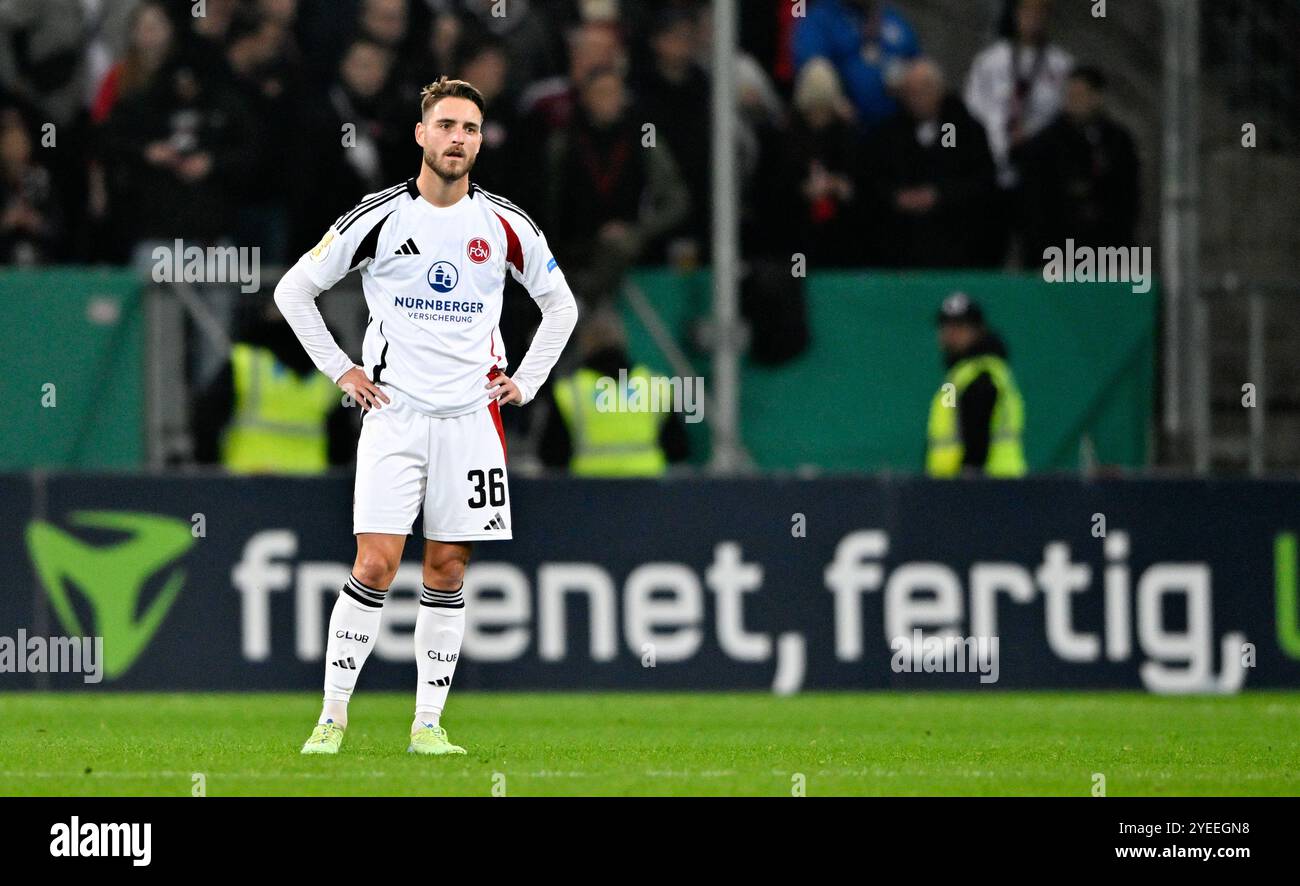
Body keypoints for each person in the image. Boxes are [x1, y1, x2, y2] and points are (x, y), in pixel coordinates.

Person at [275, 77, 578, 756]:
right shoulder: (379, 216)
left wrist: (526, 380)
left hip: (473, 421)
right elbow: (294, 288)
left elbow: (563, 306)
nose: (457, 139)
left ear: (479, 140)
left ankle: (428, 727)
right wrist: (342, 371)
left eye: (469, 129)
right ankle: (331, 719)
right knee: (377, 564)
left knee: (446, 568)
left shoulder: (505, 224)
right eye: (446, 126)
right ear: (421, 134)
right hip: (396, 415)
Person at [191, 299, 354, 474]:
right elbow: (342, 438)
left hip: (247, 480)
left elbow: (206, 420)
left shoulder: (245, 362)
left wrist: (211, 470)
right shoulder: (333, 370)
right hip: (310, 484)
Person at [865, 59, 997, 268]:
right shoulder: (888, 133)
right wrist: (896, 197)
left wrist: (940, 195)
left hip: (956, 245)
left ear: (939, 90)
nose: (916, 99)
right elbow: (873, 181)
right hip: (901, 249)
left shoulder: (964, 130)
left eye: (923, 90)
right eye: (911, 92)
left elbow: (982, 181)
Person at [539, 310, 689, 477]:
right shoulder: (656, 386)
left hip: (590, 490)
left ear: (584, 343)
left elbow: (551, 455)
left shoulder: (569, 392)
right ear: (623, 340)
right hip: (647, 487)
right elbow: (678, 448)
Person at [1019, 66, 1140, 262]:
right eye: (1070, 94)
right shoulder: (1045, 144)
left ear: (1097, 97)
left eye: (1080, 94)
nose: (1073, 100)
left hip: (1106, 249)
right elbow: (1036, 204)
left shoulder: (1118, 140)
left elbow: (1127, 197)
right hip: (1058, 250)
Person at [925, 293, 1026, 478]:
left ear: (979, 330)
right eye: (946, 326)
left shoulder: (982, 374)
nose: (951, 333)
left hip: (988, 487)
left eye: (960, 326)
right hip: (960, 486)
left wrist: (970, 477)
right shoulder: (959, 374)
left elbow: (977, 435)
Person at [792, 0, 921, 134]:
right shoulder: (821, 18)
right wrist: (837, 100)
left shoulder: (890, 16)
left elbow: (916, 59)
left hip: (899, 117)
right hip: (844, 124)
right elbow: (811, 65)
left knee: (924, 74)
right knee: (818, 77)